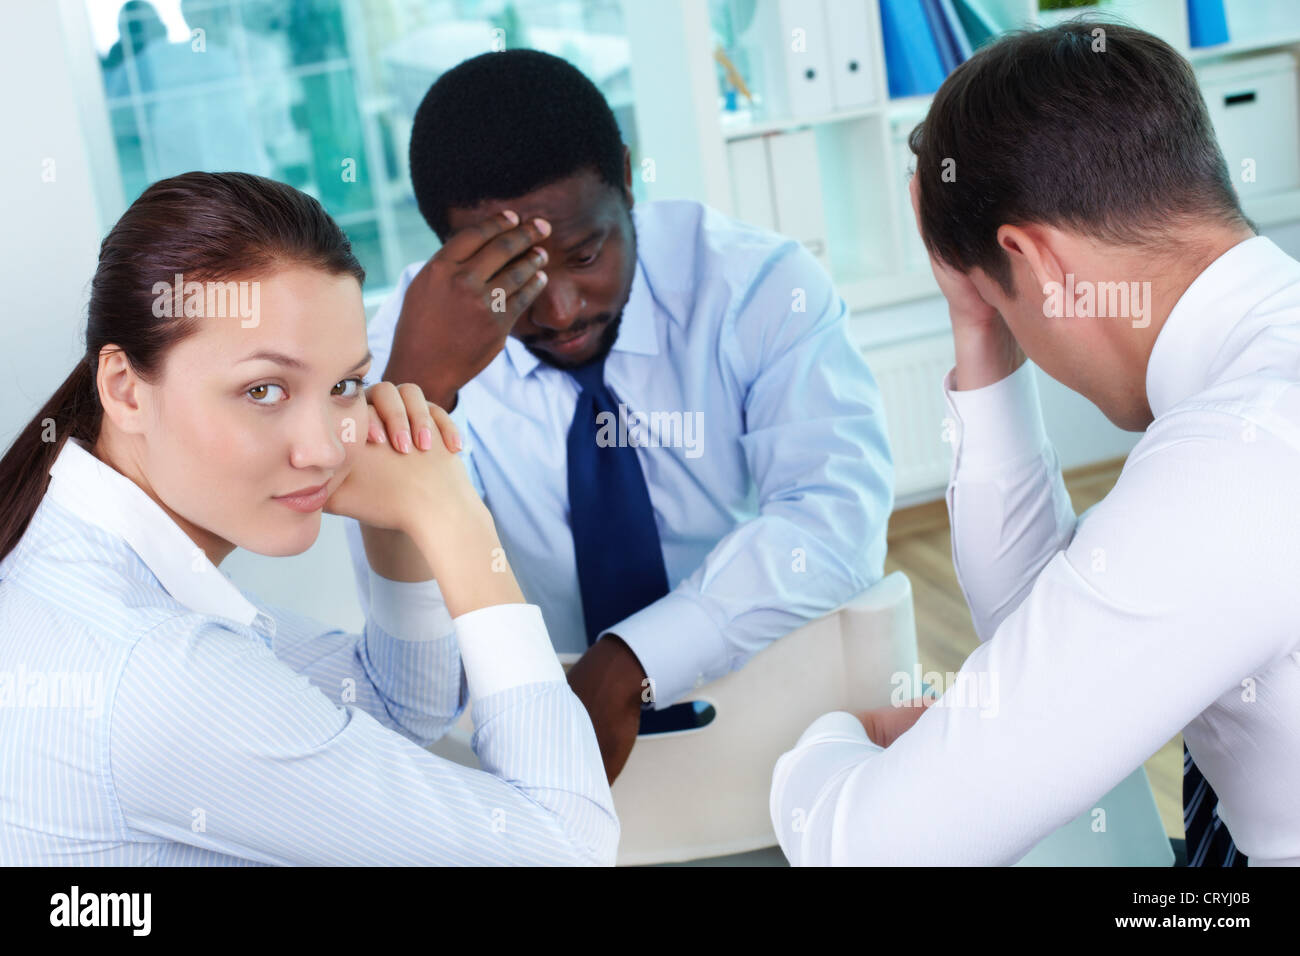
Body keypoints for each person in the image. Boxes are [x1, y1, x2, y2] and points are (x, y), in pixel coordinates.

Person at [771, 21, 1300, 866]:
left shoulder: (1232, 468)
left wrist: (832, 740)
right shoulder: (1260, 391)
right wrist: (981, 324)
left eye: (1002, 298)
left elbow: (866, 849)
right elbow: (1048, 631)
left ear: (1035, 258)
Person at [0, 171, 617, 865]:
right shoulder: (160, 673)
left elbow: (395, 708)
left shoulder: (74, 556)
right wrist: (455, 519)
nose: (324, 448)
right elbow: (568, 852)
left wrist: (403, 510)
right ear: (125, 389)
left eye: (346, 385)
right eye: (264, 390)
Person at [345, 49, 894, 782]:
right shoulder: (406, 345)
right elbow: (416, 661)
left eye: (584, 254)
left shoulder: (757, 286)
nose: (559, 310)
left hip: (766, 728)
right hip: (537, 758)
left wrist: (635, 658)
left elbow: (835, 519)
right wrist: (420, 390)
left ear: (628, 181)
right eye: (514, 278)